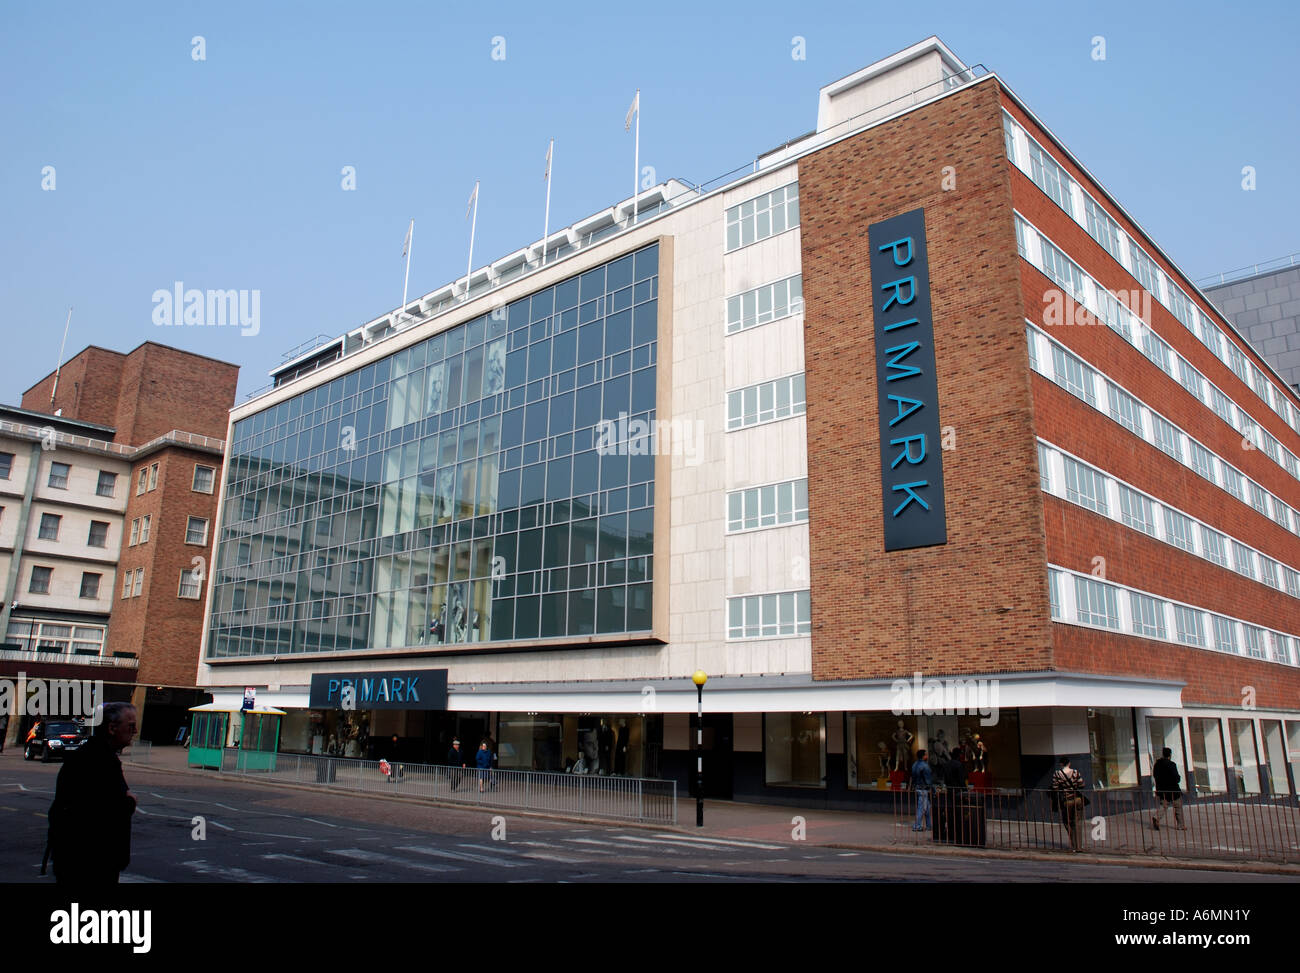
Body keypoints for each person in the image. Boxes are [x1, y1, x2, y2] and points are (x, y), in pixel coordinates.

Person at [45, 702, 138, 884]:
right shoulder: (101, 761)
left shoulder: (89, 755)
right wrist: (130, 802)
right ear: (112, 728)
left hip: (76, 857)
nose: (135, 731)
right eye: (131, 726)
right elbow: (104, 812)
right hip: (91, 862)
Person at [1051, 756, 1086, 853]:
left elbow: (1055, 787)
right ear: (1069, 763)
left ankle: (1073, 844)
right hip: (1077, 799)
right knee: (1077, 822)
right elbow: (1082, 785)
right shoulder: (1076, 772)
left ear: (1061, 764)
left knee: (1067, 822)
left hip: (1066, 800)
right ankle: (1079, 846)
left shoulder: (1057, 774)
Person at [1152, 747, 1187, 832]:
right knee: (1178, 806)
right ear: (1170, 755)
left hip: (1162, 789)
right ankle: (1180, 825)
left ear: (1163, 754)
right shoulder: (1172, 764)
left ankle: (1156, 817)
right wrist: (1178, 779)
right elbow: (1176, 778)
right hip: (1173, 790)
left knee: (1164, 805)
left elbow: (1155, 775)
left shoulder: (1157, 764)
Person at [910, 749, 932, 832]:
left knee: (927, 808)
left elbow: (912, 777)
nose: (927, 756)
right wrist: (933, 790)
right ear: (924, 756)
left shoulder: (914, 764)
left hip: (917, 788)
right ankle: (917, 826)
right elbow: (928, 780)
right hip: (923, 789)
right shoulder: (925, 766)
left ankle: (929, 825)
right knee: (922, 808)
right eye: (926, 754)